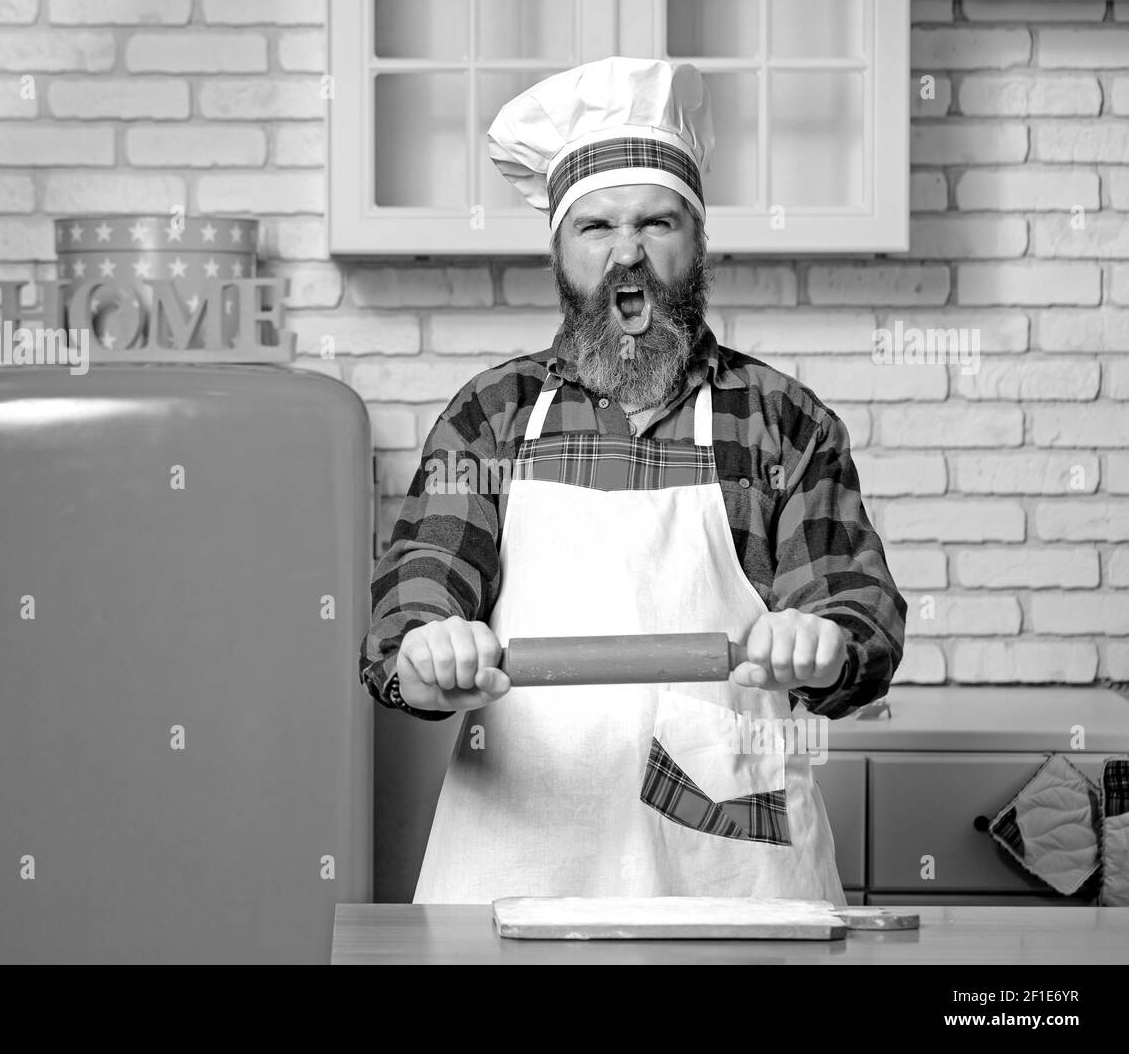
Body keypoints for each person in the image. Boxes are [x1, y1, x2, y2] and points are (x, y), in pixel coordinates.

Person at [358, 57, 906, 905]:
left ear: (697, 244)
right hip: (519, 869)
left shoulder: (781, 422)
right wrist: (430, 649)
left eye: (656, 221)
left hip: (733, 879)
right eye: (596, 227)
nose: (628, 254)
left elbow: (856, 612)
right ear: (560, 255)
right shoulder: (492, 417)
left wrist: (825, 644)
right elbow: (412, 606)